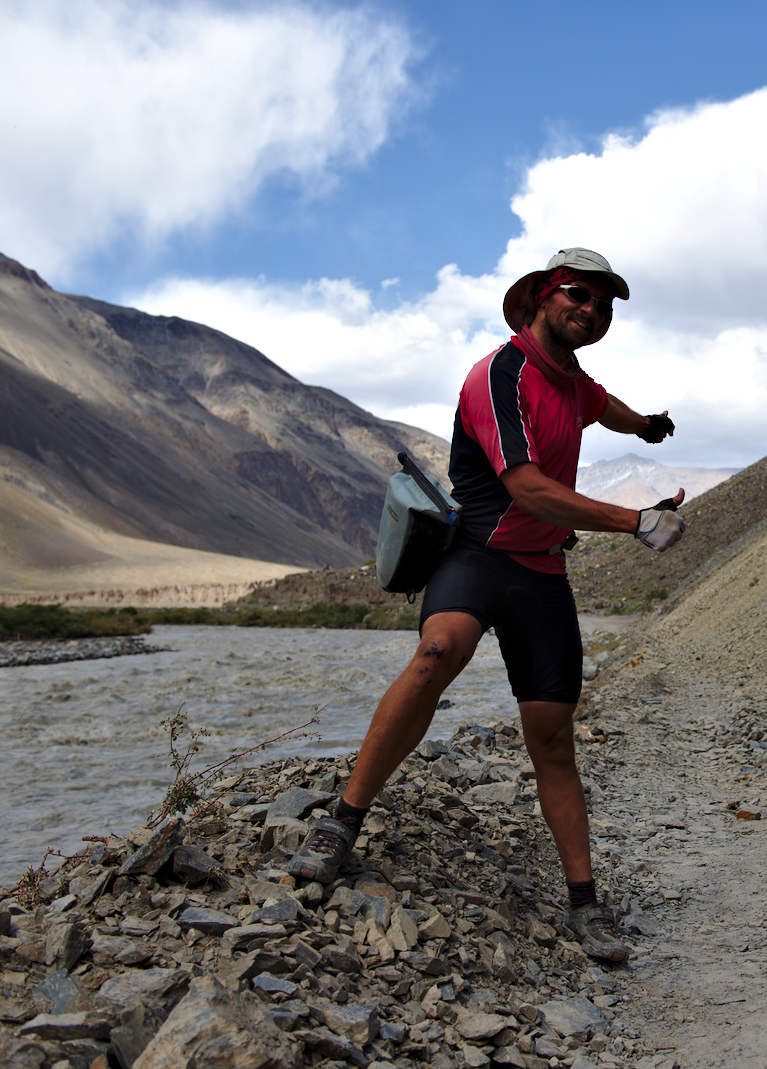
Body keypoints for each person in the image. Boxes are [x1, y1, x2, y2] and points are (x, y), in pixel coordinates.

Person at [288, 248, 685, 964]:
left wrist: (649, 425)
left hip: (540, 573)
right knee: (438, 651)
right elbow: (527, 487)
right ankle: (341, 823)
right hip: (475, 555)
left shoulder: (575, 384)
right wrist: (636, 521)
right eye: (578, 295)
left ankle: (585, 903)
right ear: (540, 296)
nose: (590, 310)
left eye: (603, 304)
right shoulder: (499, 374)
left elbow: (607, 406)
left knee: (553, 736)